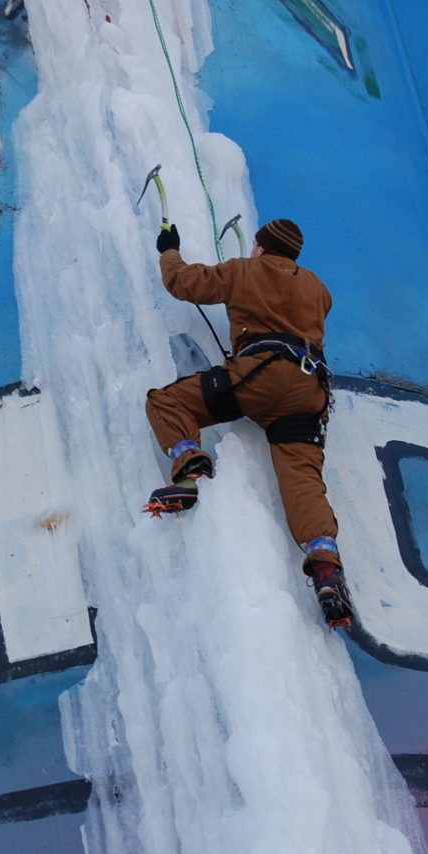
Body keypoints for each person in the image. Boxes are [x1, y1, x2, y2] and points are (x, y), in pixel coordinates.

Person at [142, 217, 354, 629]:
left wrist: (169, 250)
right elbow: (308, 308)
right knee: (303, 480)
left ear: (260, 246)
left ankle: (190, 468)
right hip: (310, 389)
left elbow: (185, 283)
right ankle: (327, 567)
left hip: (261, 376)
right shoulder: (318, 289)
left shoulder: (245, 269)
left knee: (167, 401)